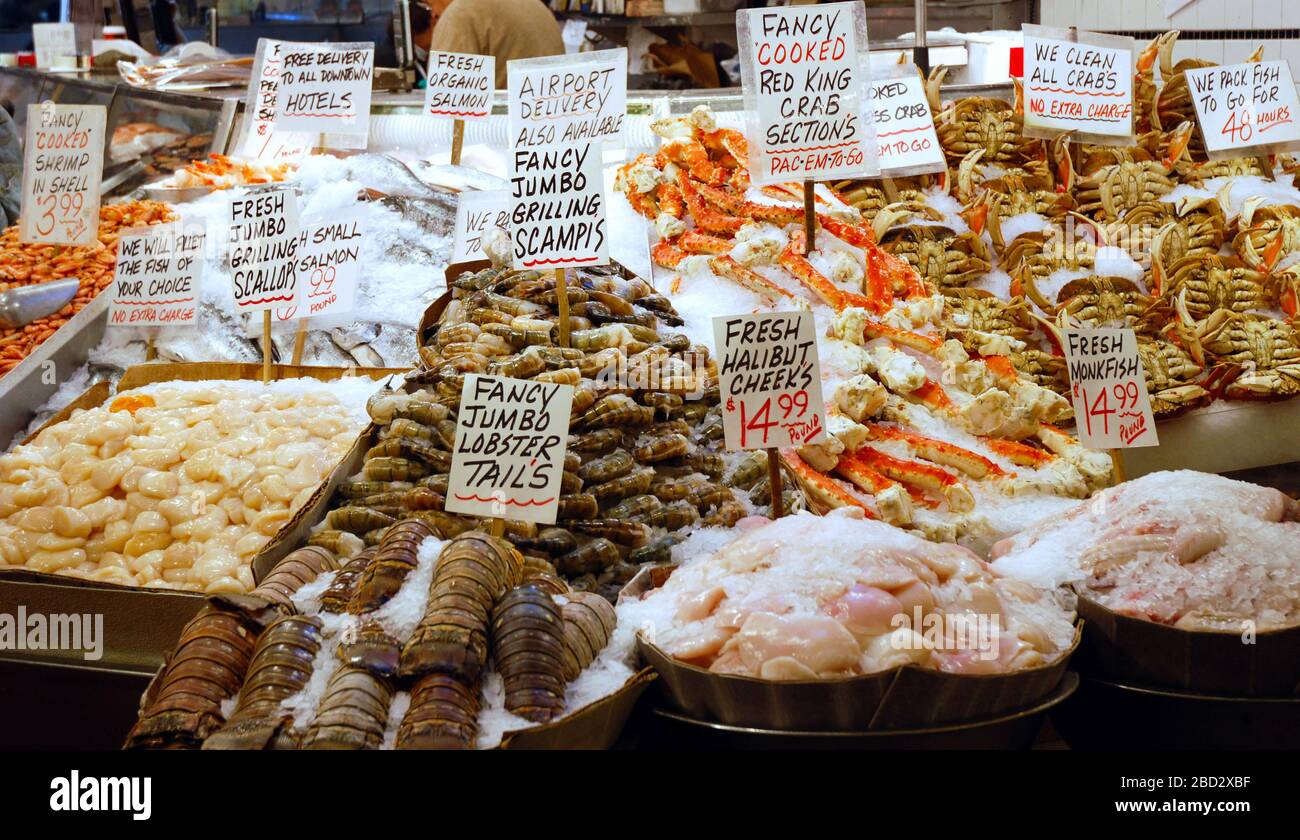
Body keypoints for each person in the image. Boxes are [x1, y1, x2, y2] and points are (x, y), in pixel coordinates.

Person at [425, 0, 565, 88]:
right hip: (544, 128)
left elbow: (448, 104)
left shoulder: (460, 15)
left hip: (498, 131)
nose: (434, 14)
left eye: (429, 5)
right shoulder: (536, 5)